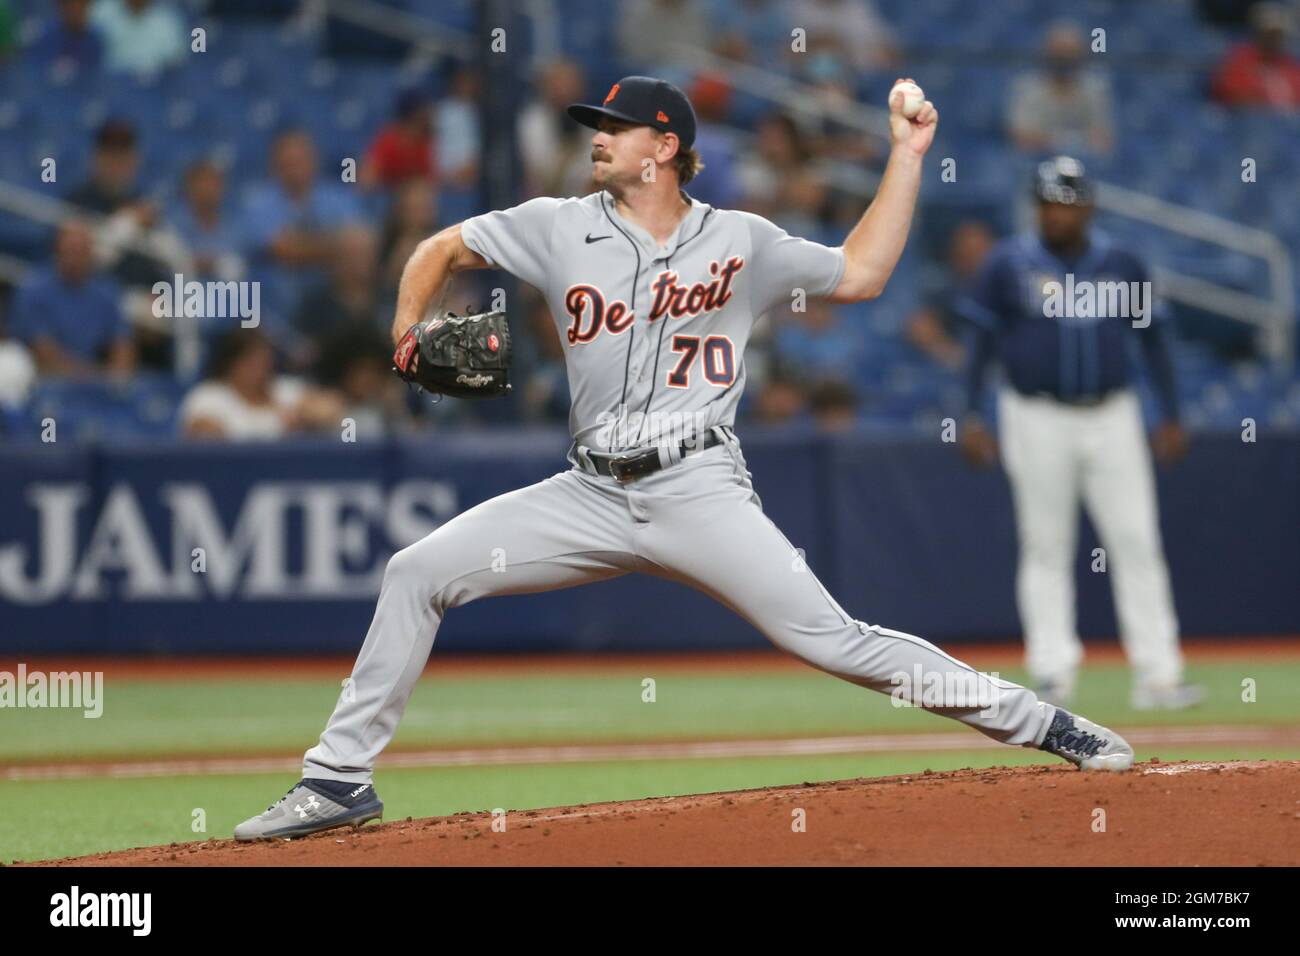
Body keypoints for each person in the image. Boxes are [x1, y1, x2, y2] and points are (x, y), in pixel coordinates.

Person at [234, 76, 1136, 842]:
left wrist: (906, 154)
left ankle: (1050, 724)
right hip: (586, 489)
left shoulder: (741, 241)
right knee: (417, 570)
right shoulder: (556, 225)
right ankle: (339, 779)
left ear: (662, 146)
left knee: (837, 642)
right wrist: (403, 333)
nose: (597, 140)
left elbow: (861, 273)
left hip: (699, 484)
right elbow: (441, 247)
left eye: (613, 129)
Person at [958, 156, 1202, 713]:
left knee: (1136, 539)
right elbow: (978, 346)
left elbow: (1156, 341)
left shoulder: (1122, 263)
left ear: (1087, 206)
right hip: (1034, 413)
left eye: (1065, 204)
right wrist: (971, 415)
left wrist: (1171, 413)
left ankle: (1159, 676)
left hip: (1112, 413)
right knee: (1046, 543)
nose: (1055, 215)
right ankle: (1051, 672)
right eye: (1046, 203)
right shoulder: (1007, 264)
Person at [9, 220, 135, 377]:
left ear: (91, 254)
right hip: (38, 378)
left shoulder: (106, 290)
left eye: (81, 251)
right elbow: (43, 352)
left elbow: (122, 342)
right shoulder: (34, 288)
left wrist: (117, 382)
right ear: (57, 252)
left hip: (93, 377)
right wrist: (93, 382)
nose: (75, 258)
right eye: (69, 251)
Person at [179, 329, 341, 441]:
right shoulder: (210, 395)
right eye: (251, 362)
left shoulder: (285, 389)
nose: (260, 369)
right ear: (230, 364)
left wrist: (304, 415)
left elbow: (332, 408)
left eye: (265, 361)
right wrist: (274, 427)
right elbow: (204, 435)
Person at [1008, 22, 1114, 156]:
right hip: (1036, 160)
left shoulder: (1094, 90)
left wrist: (1071, 144)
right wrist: (1057, 141)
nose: (1064, 61)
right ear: (1047, 54)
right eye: (1058, 54)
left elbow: (1103, 138)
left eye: (1070, 54)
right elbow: (1020, 137)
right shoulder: (1027, 88)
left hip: (1085, 162)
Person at [1211, 2, 1300, 110]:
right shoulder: (1239, 62)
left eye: (1278, 35)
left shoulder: (1292, 67)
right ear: (1258, 34)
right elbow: (1230, 96)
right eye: (1269, 35)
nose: (1273, 41)